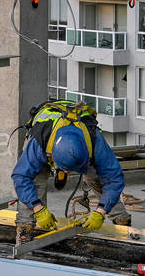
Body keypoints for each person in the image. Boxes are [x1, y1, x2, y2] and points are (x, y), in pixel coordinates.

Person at [12, 99, 127, 237]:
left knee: (97, 178)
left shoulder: (95, 141)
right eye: (64, 169)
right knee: (36, 180)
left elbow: (114, 179)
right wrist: (38, 208)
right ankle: (25, 228)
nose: (67, 173)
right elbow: (21, 177)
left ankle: (121, 219)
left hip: (79, 146)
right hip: (46, 142)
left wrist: (100, 212)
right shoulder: (39, 141)